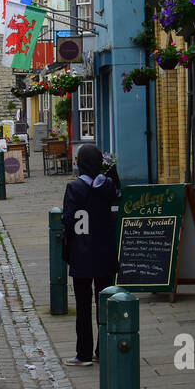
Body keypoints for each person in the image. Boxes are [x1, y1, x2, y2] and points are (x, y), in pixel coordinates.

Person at [61, 143, 121, 366]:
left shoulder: (74, 188)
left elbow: (67, 219)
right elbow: (117, 196)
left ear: (79, 163)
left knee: (83, 306)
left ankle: (83, 354)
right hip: (104, 253)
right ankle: (103, 349)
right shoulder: (108, 187)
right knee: (104, 303)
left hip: (81, 253)